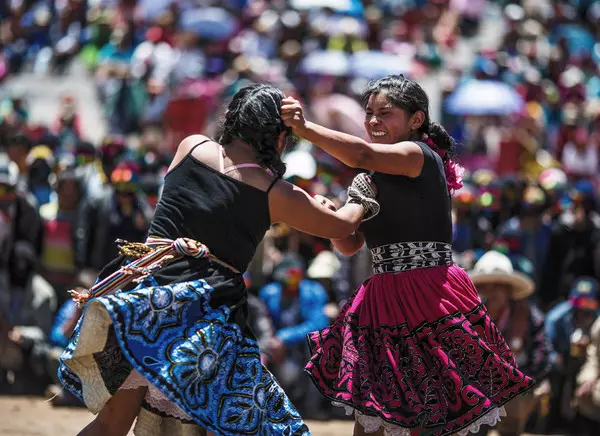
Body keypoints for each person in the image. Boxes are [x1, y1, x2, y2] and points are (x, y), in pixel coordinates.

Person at [58, 83, 378, 436]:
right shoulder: (273, 191)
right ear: (276, 135)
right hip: (202, 319)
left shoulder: (191, 146)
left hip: (144, 302)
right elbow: (343, 227)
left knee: (111, 423)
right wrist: (363, 192)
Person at [281, 74, 535, 436]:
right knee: (374, 421)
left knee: (434, 415)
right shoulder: (372, 179)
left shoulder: (419, 156)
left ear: (416, 120)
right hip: (383, 300)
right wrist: (327, 212)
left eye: (385, 113)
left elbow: (360, 153)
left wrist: (304, 129)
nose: (372, 122)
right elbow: (350, 243)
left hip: (428, 295)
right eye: (369, 113)